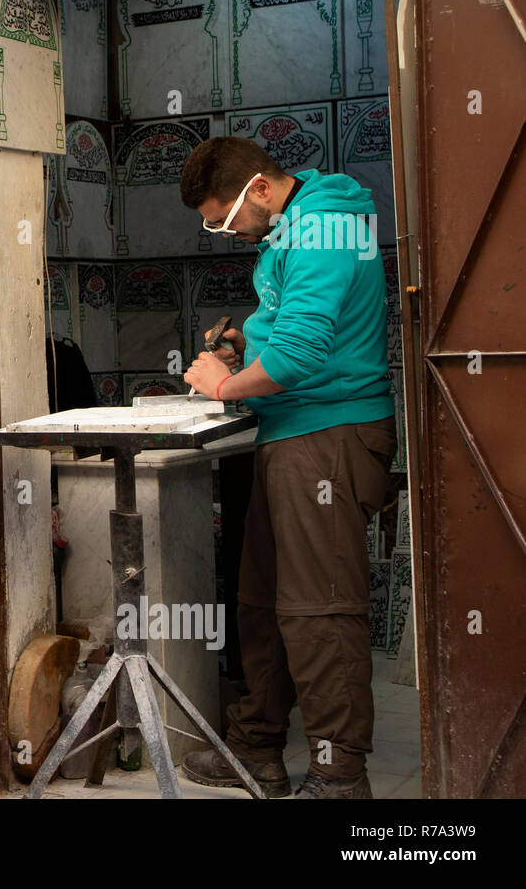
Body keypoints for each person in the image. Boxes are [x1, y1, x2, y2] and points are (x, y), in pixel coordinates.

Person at [176, 137, 396, 799]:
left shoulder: (325, 227)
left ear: (262, 190)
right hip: (291, 433)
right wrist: (248, 343)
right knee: (263, 603)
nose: (225, 231)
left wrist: (220, 384)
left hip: (327, 435)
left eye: (223, 218)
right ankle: (257, 750)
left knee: (319, 611)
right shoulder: (294, 230)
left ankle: (338, 775)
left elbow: (300, 356)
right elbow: (287, 327)